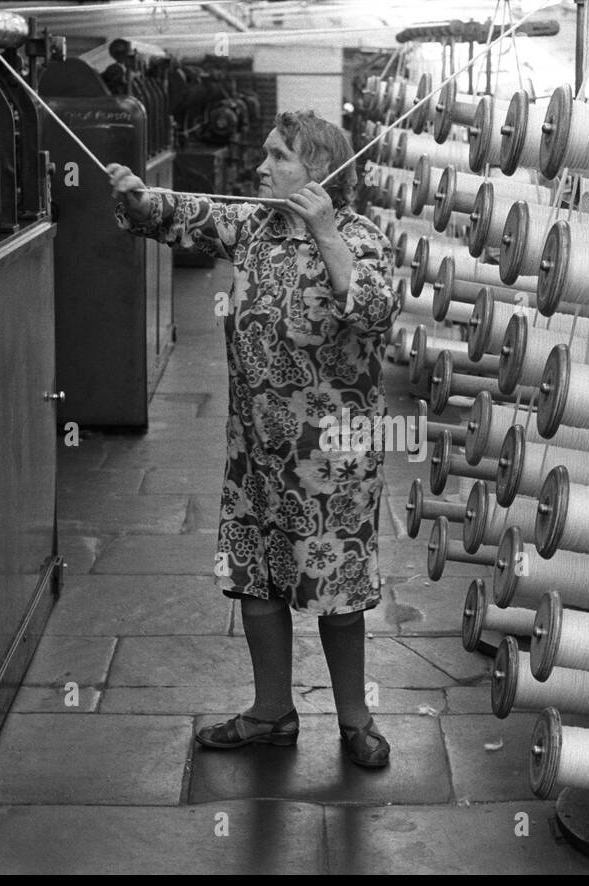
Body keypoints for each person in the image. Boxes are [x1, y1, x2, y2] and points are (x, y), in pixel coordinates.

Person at [108, 110, 399, 767]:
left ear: (317, 172)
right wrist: (137, 196)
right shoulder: (255, 226)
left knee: (336, 588)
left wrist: (326, 234)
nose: (261, 168)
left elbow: (377, 310)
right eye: (265, 156)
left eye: (278, 157)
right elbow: (181, 215)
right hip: (256, 455)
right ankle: (272, 713)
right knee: (258, 582)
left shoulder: (362, 236)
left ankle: (355, 721)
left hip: (332, 464)